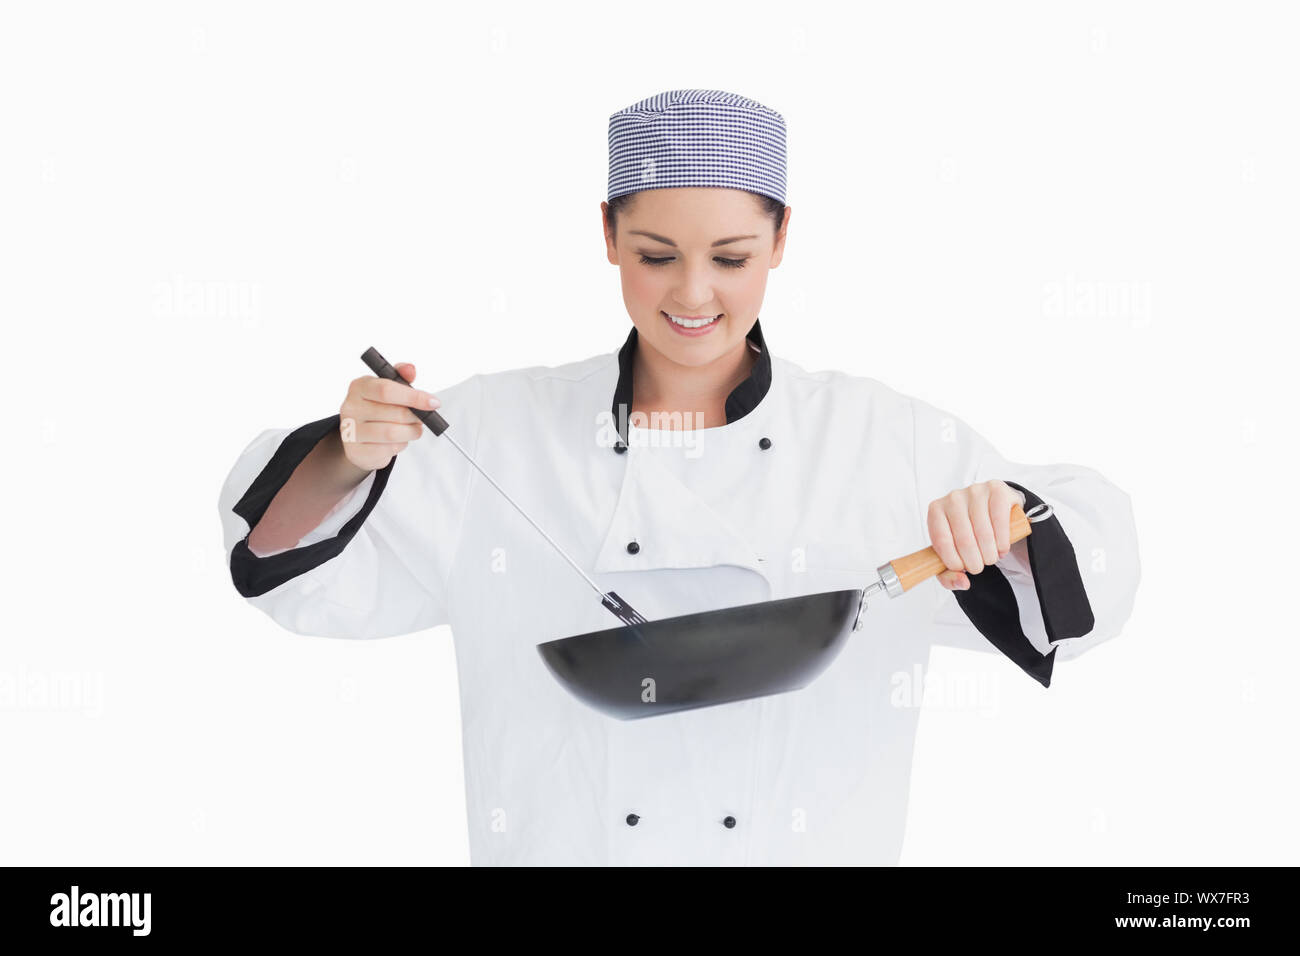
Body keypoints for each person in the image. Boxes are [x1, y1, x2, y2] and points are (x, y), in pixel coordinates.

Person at [217, 88, 1141, 865]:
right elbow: (286, 573)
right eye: (656, 255)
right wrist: (346, 453)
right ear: (608, 235)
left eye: (731, 258)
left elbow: (1096, 557)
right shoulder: (496, 434)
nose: (693, 295)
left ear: (781, 241)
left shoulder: (878, 440)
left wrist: (1005, 521)